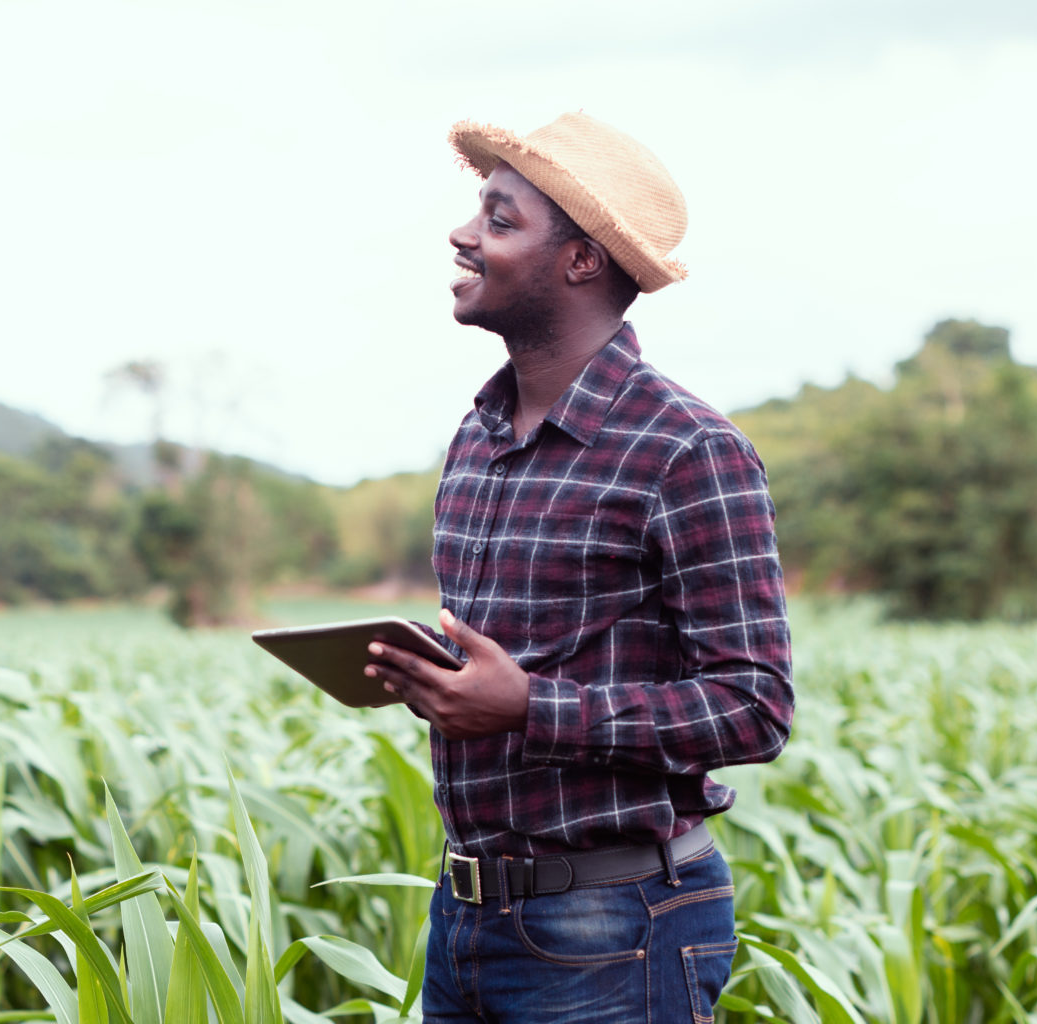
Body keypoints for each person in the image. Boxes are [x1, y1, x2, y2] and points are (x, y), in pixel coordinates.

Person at [363, 111, 795, 1022]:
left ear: (583, 261)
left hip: (619, 926)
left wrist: (526, 704)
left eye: (501, 220)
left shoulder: (686, 449)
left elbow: (754, 706)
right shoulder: (475, 441)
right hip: (469, 918)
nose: (463, 235)